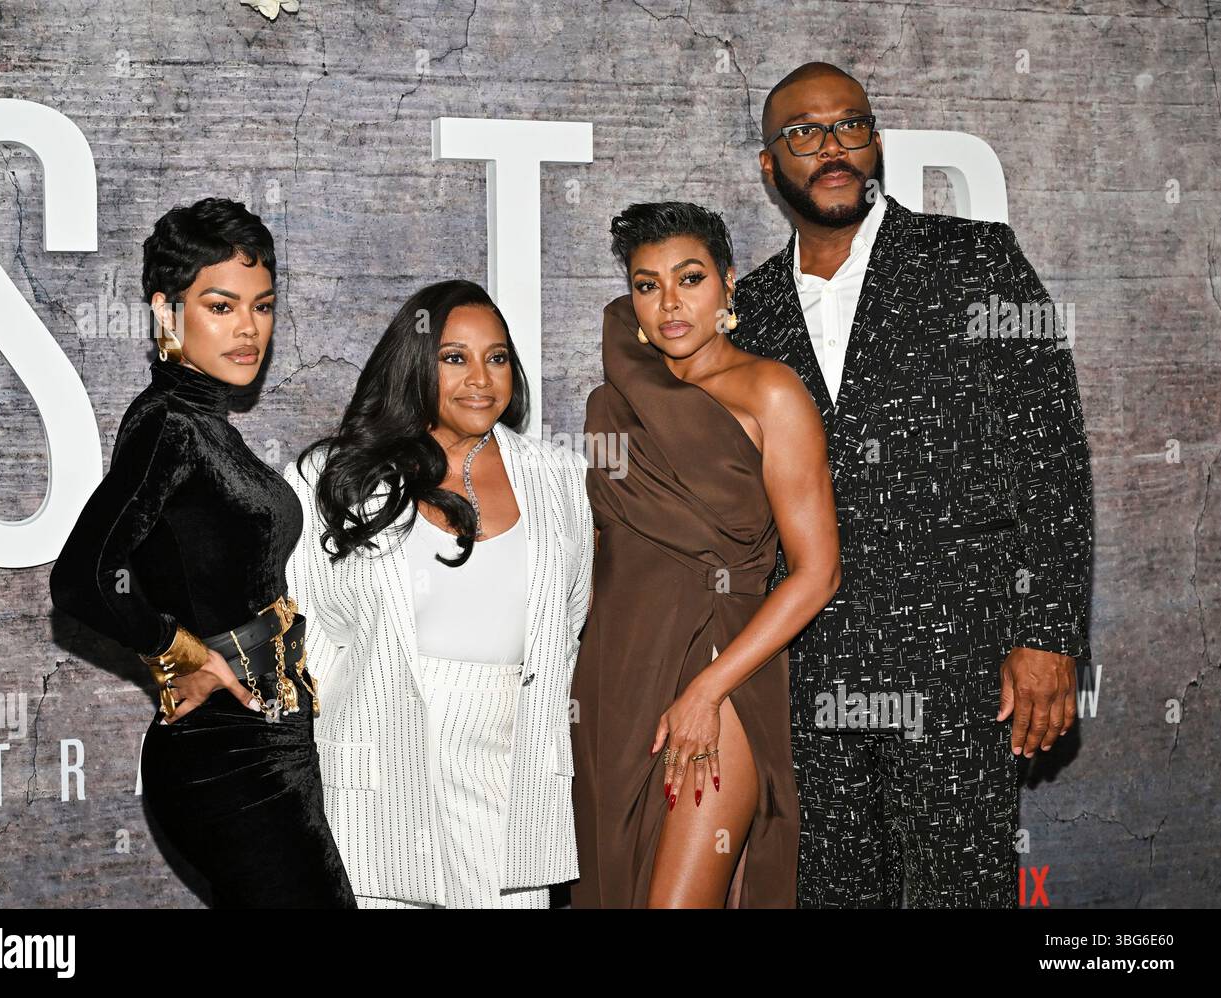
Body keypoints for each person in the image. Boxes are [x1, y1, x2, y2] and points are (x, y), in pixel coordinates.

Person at [731, 62, 1094, 907]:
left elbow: (1051, 458)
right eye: (804, 133)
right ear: (767, 163)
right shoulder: (748, 311)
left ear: (876, 143)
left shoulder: (974, 259)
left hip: (960, 671)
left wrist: (1047, 631)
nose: (832, 149)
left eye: (850, 126)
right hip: (809, 678)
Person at [49, 197, 356, 908]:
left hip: (270, 738)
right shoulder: (170, 429)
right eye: (221, 305)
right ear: (166, 311)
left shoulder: (207, 426)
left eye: (263, 305)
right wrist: (182, 653)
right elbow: (84, 578)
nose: (249, 328)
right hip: (225, 755)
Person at [284, 279, 593, 908]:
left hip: (513, 772)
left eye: (497, 357)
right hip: (378, 764)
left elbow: (568, 616)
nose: (480, 377)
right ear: (416, 365)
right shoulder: (334, 480)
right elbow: (303, 635)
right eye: (455, 358)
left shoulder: (557, 476)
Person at [570, 202, 842, 908]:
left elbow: (817, 572)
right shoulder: (612, 406)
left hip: (721, 671)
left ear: (727, 285)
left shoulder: (770, 392)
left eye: (689, 279)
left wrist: (707, 688)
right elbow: (604, 558)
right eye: (646, 283)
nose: (669, 303)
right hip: (616, 677)